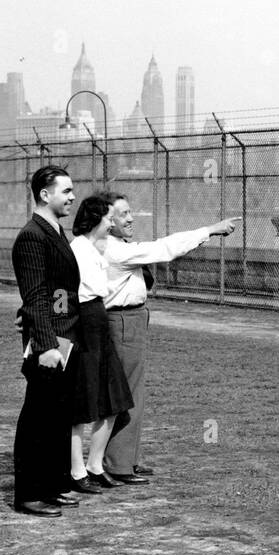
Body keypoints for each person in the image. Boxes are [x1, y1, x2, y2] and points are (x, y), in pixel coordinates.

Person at [94, 192, 240, 482]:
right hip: (122, 321)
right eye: (123, 214)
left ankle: (126, 459)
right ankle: (119, 465)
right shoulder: (114, 250)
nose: (131, 218)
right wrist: (209, 230)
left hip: (131, 319)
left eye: (129, 211)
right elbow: (165, 248)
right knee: (127, 394)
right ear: (108, 221)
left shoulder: (114, 246)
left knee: (132, 393)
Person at [12, 166, 83, 517]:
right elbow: (37, 295)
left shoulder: (54, 231)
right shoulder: (32, 236)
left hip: (65, 338)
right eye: (66, 191)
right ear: (44, 194)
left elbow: (53, 291)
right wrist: (46, 346)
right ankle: (29, 493)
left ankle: (53, 486)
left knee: (57, 417)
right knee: (38, 419)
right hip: (50, 344)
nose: (72, 197)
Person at [66, 194, 137, 493]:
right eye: (108, 218)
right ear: (95, 219)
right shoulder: (77, 250)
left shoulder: (98, 249)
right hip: (83, 321)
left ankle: (95, 465)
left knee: (113, 399)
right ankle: (76, 471)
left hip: (98, 319)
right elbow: (65, 295)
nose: (112, 223)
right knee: (81, 404)